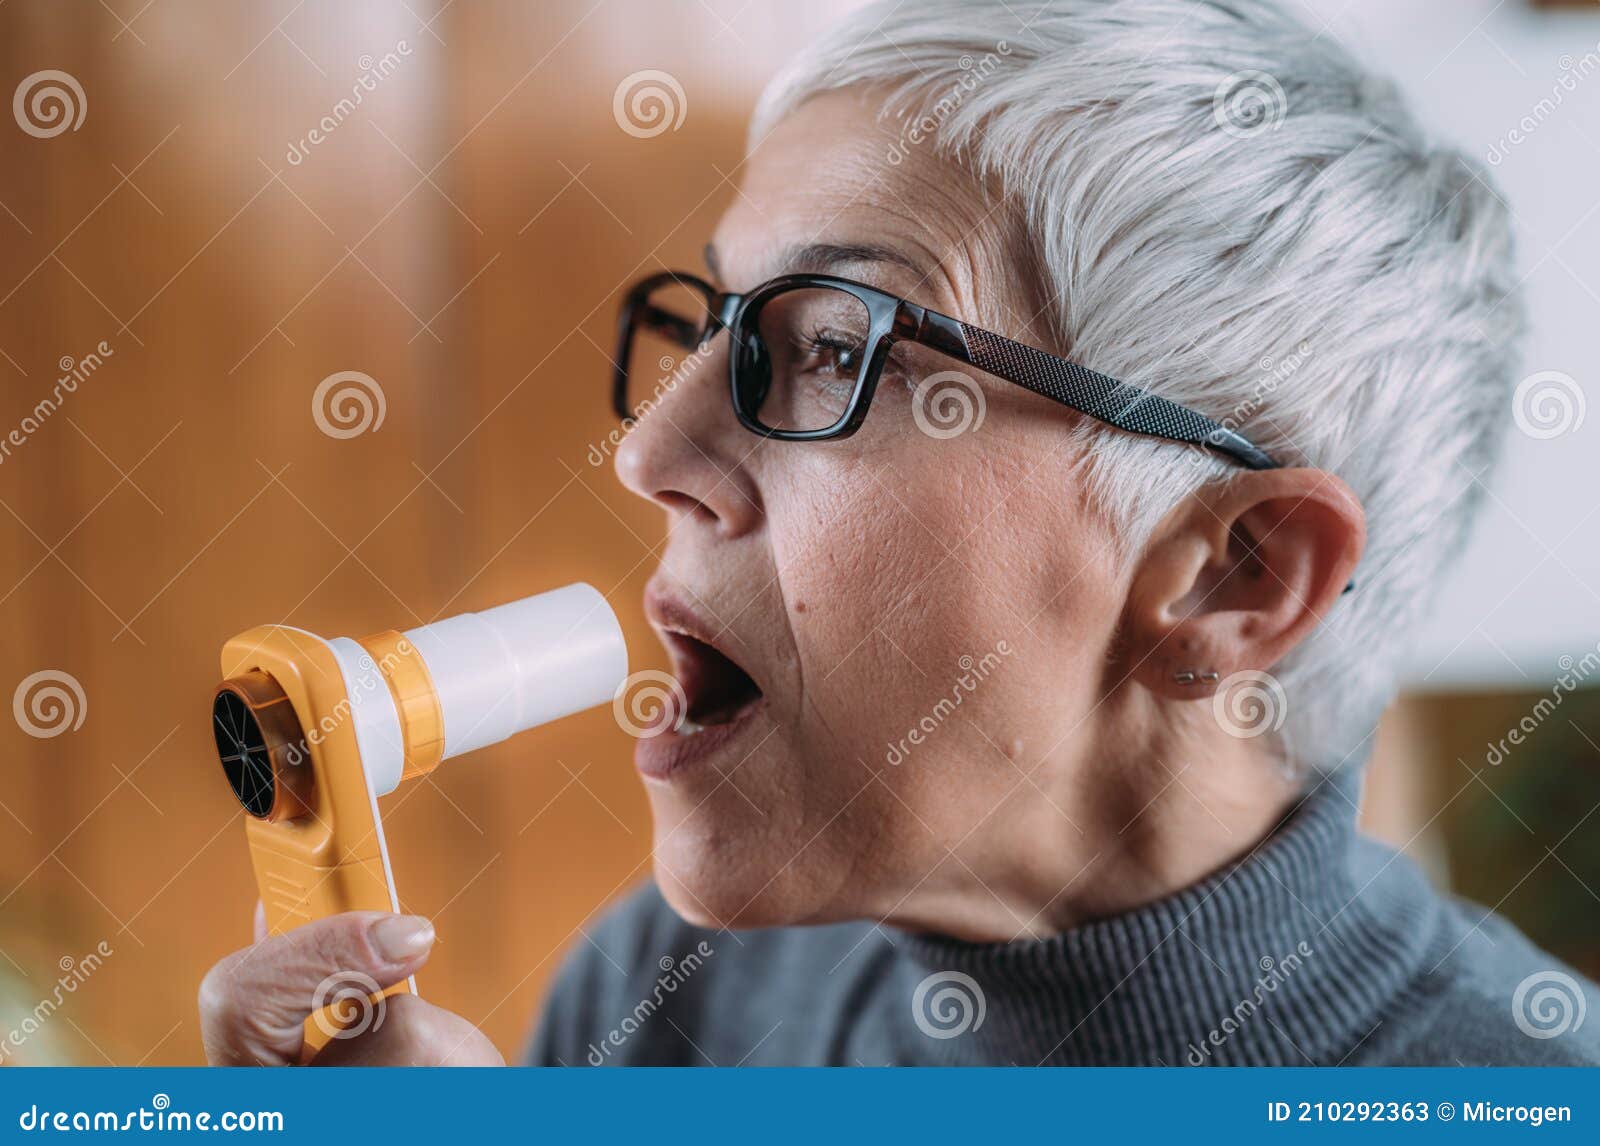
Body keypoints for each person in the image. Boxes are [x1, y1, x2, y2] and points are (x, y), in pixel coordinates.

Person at [200, 0, 1600, 1066]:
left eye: (832, 348)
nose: (650, 451)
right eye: (713, 324)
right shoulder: (669, 999)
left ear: (1235, 573)